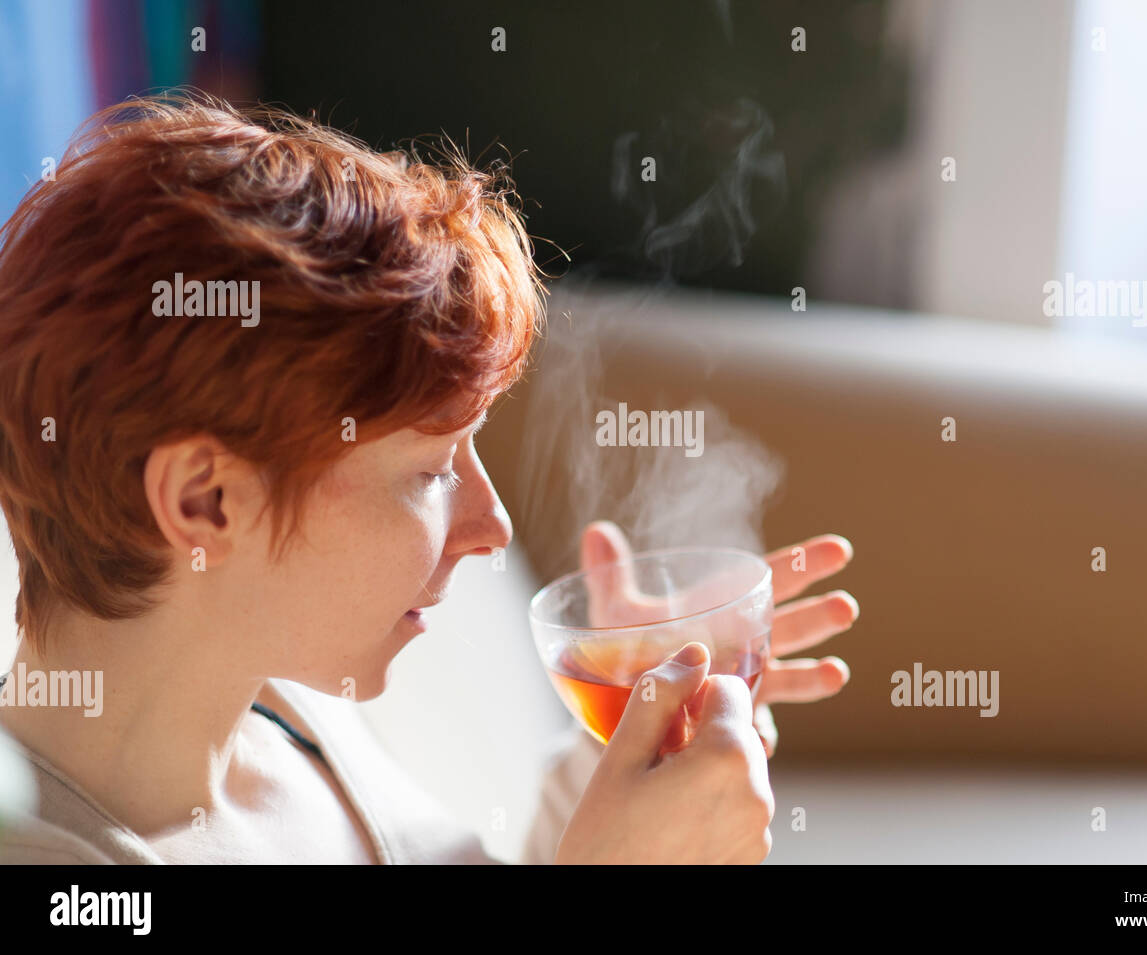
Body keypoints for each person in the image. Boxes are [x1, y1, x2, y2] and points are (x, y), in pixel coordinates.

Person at [0, 93, 857, 864]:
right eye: (433, 469)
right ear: (205, 501)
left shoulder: (291, 710)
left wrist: (620, 761)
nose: (493, 526)